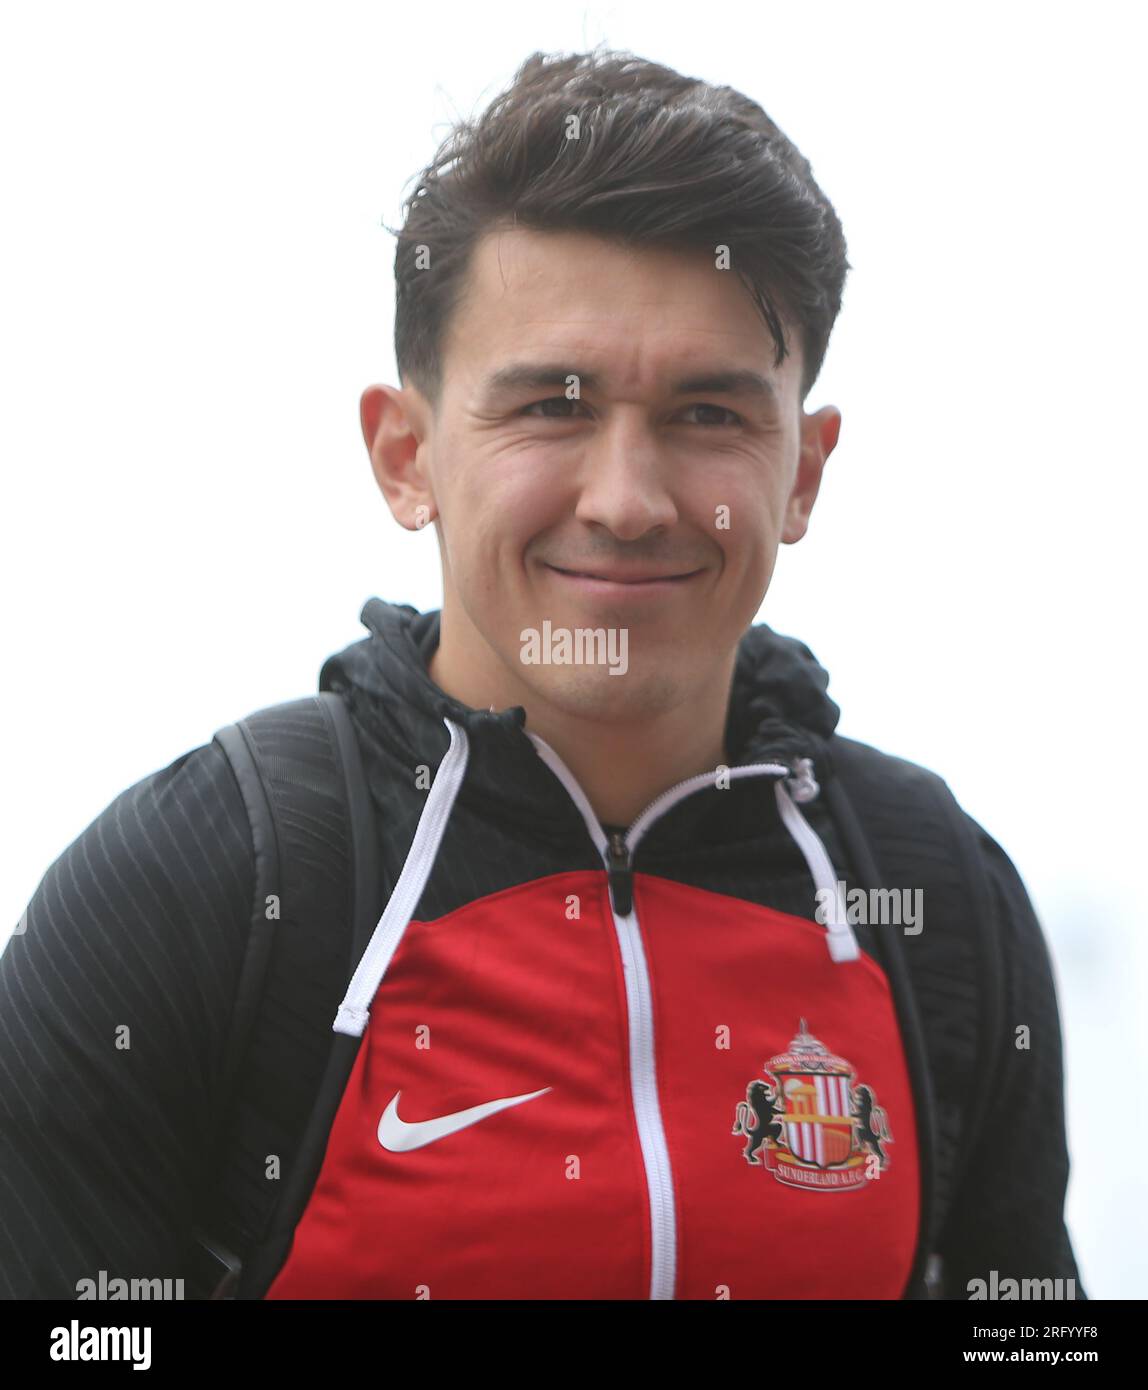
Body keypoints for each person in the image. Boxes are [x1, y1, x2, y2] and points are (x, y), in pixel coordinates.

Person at [1, 46, 1083, 1301]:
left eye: (707, 414)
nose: (625, 503)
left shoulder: (927, 892)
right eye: (550, 410)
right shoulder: (201, 884)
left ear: (801, 473)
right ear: (404, 455)